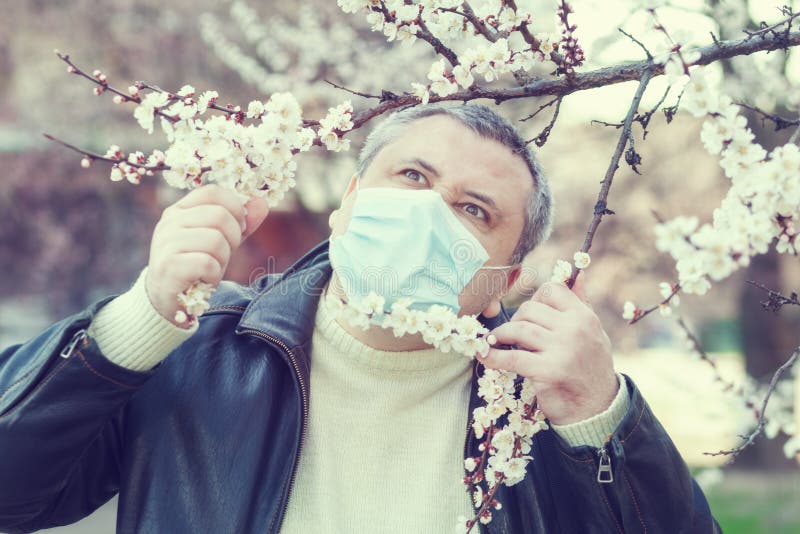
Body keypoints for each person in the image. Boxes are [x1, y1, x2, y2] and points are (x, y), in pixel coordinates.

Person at [0, 103, 719, 533]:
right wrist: (140, 322)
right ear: (347, 202)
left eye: (475, 210)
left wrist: (603, 422)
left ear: (502, 280)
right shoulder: (203, 352)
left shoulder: (533, 423)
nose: (427, 213)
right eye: (411, 177)